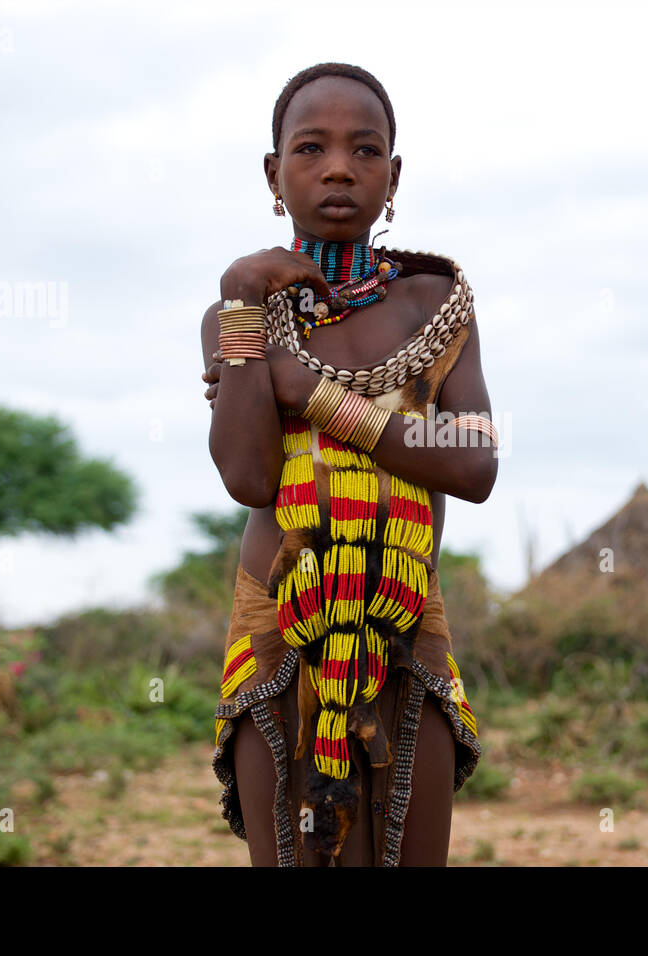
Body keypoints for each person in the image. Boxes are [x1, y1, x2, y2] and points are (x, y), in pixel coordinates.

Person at [199, 62, 498, 866]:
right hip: (279, 637)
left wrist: (316, 396)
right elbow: (248, 477)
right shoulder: (242, 315)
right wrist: (239, 294)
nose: (339, 167)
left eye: (365, 151)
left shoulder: (436, 304)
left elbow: (473, 465)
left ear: (393, 175)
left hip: (406, 633)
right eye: (311, 148)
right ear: (274, 173)